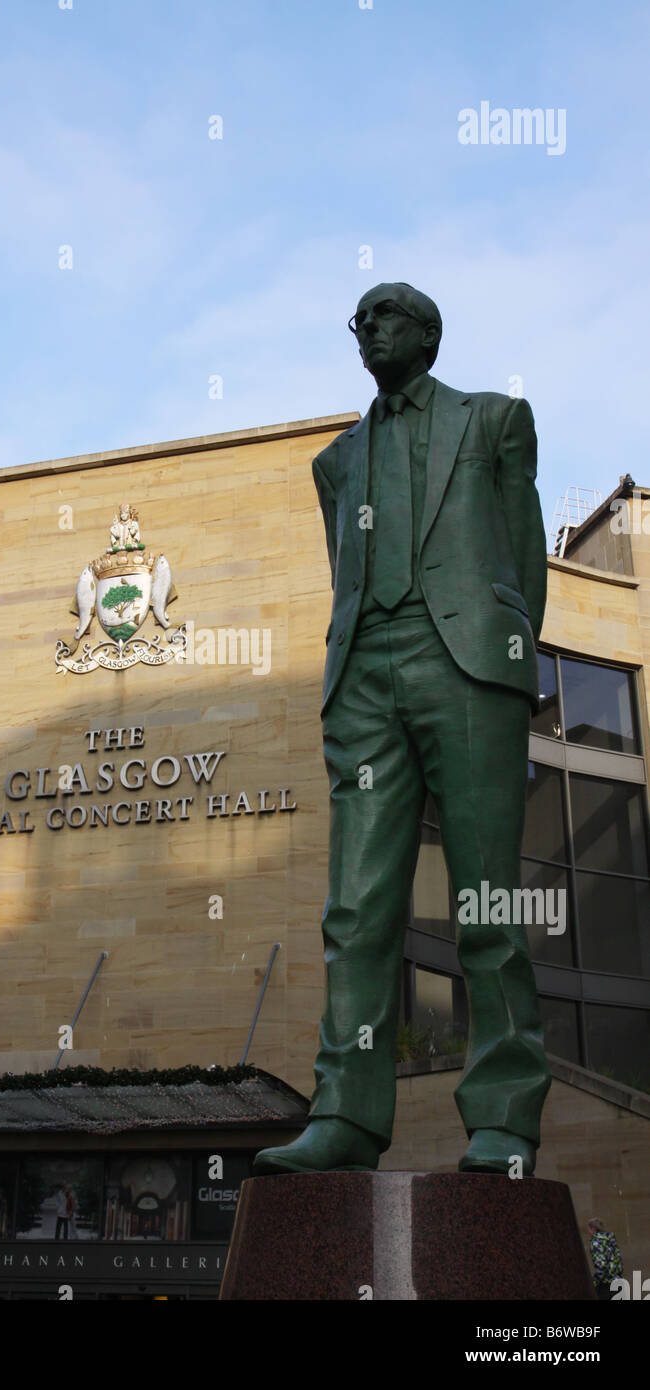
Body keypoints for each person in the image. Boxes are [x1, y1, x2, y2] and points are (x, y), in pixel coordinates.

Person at [255, 282, 551, 1178]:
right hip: (366, 676)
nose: (369, 330)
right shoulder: (336, 465)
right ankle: (345, 1112)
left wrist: (504, 660)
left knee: (485, 901)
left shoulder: (494, 420)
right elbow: (349, 571)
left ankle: (503, 1116)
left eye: (385, 316)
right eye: (360, 320)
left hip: (463, 665)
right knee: (356, 908)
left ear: (427, 334)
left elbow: (523, 557)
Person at [588, 1218, 623, 1299]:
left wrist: (595, 1281)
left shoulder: (596, 1242)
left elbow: (601, 1265)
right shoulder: (611, 1239)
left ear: (593, 1229)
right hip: (618, 1280)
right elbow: (618, 1259)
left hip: (606, 1285)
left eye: (588, 1229)